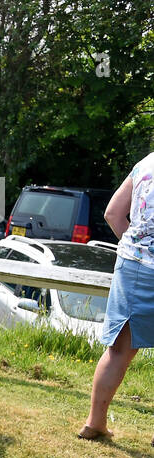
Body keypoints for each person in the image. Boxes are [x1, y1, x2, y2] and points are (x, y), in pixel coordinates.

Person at [80, 154, 154, 442]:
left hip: (133, 268)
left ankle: (94, 423)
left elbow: (112, 213)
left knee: (119, 351)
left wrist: (138, 249)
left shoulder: (146, 164)